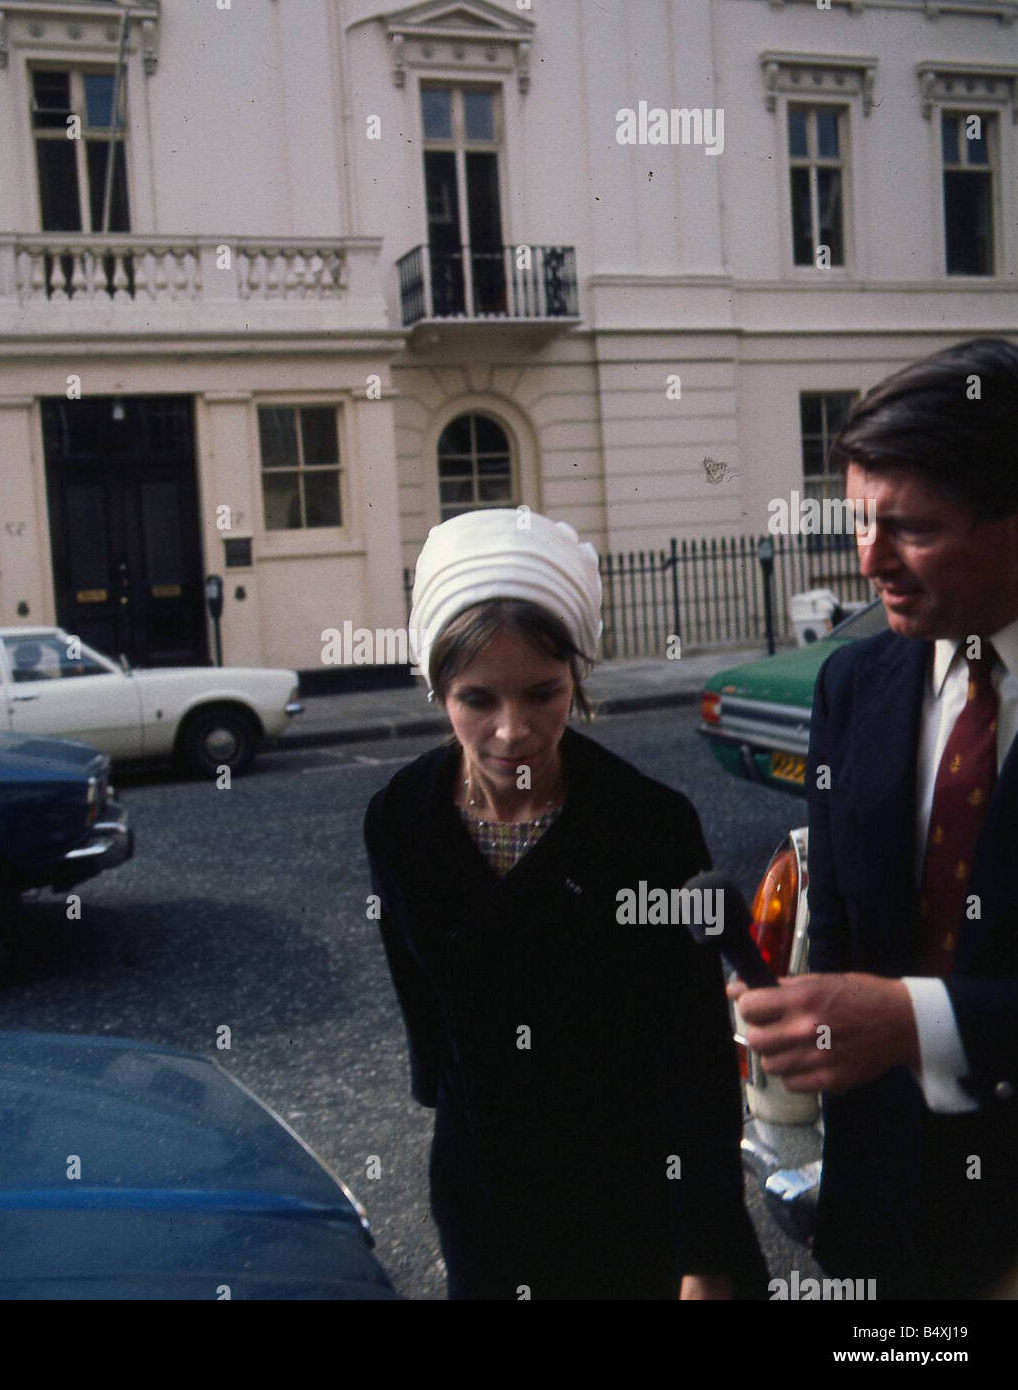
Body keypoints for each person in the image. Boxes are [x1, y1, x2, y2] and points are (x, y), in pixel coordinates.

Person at [363, 507, 766, 1299]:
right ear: (435, 688)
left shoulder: (647, 823)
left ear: (575, 679)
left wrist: (704, 1255)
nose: (511, 731)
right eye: (477, 699)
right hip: (485, 1205)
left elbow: (691, 1053)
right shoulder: (399, 816)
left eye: (541, 693)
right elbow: (420, 996)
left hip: (636, 1206)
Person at [729, 337, 1018, 1299]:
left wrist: (908, 1022)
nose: (870, 560)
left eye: (912, 528)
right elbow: (849, 943)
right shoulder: (853, 684)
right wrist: (805, 1017)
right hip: (889, 1229)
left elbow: (892, 1009)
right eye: (860, 521)